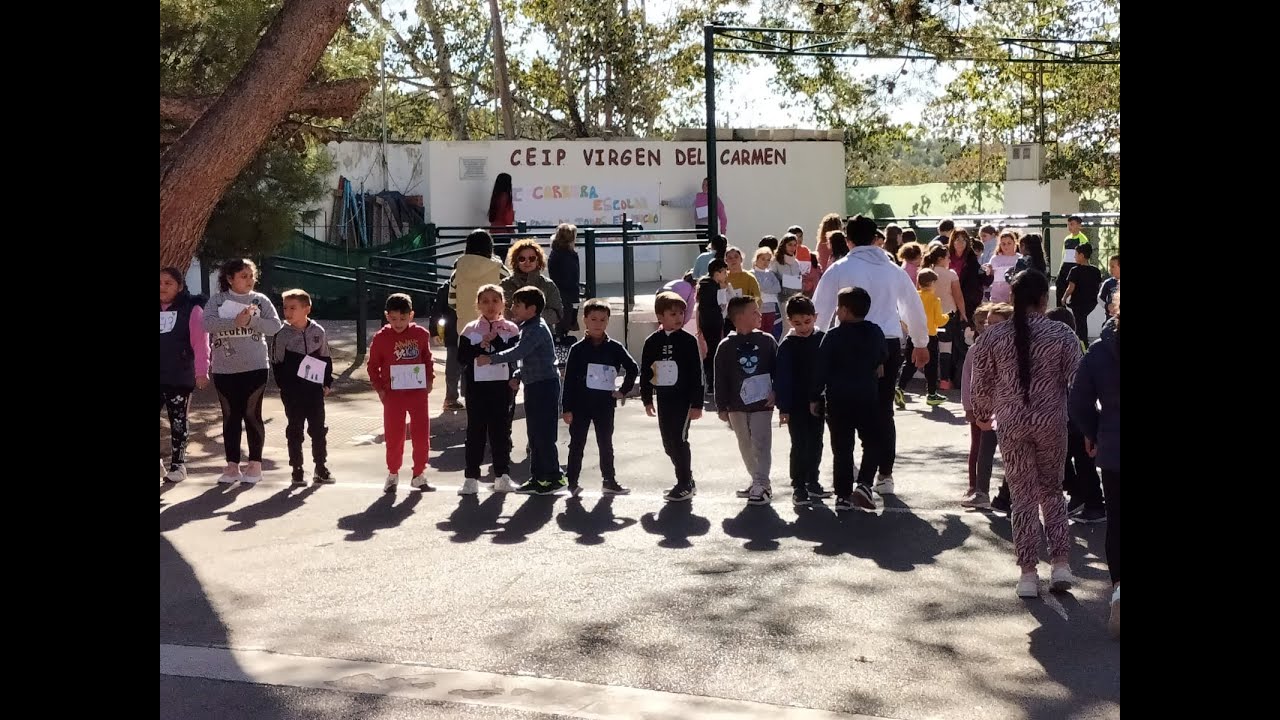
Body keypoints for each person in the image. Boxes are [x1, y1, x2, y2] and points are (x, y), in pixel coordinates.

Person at [969, 269, 1083, 598]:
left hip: (1012, 423)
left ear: (1012, 299)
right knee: (1052, 491)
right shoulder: (1062, 335)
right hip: (1051, 422)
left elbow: (981, 382)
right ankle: (1060, 562)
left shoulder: (993, 336)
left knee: (1022, 497)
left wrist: (981, 414)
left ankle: (1028, 573)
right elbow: (1077, 382)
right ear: (1044, 300)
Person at [813, 215, 930, 498]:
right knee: (882, 410)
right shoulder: (893, 270)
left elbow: (820, 310)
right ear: (876, 238)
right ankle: (884, 474)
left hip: (845, 343)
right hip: (885, 344)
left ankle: (848, 467)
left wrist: (812, 343)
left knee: (843, 405)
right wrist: (920, 341)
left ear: (848, 239)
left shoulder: (840, 268)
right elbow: (912, 306)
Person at [204, 258, 284, 486]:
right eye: (243, 276)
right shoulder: (218, 300)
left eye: (251, 275)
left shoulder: (261, 300)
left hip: (255, 367)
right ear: (230, 279)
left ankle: (255, 464)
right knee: (230, 416)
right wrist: (233, 322)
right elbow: (207, 324)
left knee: (252, 414)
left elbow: (275, 326)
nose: (249, 280)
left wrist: (250, 321)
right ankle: (231, 466)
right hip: (224, 369)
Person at [477, 286, 563, 494]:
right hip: (534, 385)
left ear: (532, 309)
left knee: (543, 434)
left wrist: (491, 358)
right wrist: (518, 376)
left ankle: (553, 477)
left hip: (545, 386)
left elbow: (520, 352)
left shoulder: (537, 328)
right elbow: (528, 359)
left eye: (517, 305)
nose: (512, 308)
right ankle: (538, 477)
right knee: (533, 433)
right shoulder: (528, 326)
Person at [1070, 289, 1121, 638]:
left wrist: (1092, 432)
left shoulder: (1100, 352)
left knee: (1117, 522)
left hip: (1114, 447)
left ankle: (1119, 589)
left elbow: (1079, 401)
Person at [813, 287, 886, 511]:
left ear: (844, 310)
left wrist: (815, 396)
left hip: (839, 398)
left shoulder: (834, 335)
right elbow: (882, 358)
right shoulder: (874, 332)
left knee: (842, 448)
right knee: (873, 441)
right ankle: (864, 483)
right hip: (867, 396)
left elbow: (821, 368)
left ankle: (843, 495)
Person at [561, 299, 640, 497]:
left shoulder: (614, 347)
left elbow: (633, 368)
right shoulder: (577, 350)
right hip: (580, 404)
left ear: (608, 321)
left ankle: (609, 481)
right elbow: (568, 379)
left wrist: (623, 390)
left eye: (602, 319)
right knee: (576, 443)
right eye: (593, 319)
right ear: (585, 320)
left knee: (605, 443)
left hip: (604, 404)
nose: (598, 323)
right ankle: (572, 482)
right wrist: (566, 408)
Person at [455, 284, 521, 495]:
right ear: (478, 305)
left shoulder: (511, 329)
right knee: (475, 431)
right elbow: (462, 357)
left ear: (503, 303)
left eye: (495, 300)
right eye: (485, 301)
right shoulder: (470, 329)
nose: (490, 305)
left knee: (500, 432)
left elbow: (516, 356)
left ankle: (502, 476)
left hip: (502, 388)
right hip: (476, 388)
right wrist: (480, 345)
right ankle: (471, 478)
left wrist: (514, 377)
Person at [640, 292, 705, 502]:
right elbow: (646, 371)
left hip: (683, 400)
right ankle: (686, 477)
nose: (678, 318)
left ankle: (684, 482)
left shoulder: (688, 341)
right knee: (668, 442)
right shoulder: (652, 342)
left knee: (679, 439)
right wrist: (647, 398)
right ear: (660, 317)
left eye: (681, 313)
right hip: (664, 398)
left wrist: (697, 403)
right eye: (672, 313)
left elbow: (697, 372)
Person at [715, 296, 779, 506]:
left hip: (762, 404)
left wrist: (776, 391)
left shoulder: (767, 341)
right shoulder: (725, 346)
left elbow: (778, 370)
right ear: (739, 317)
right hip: (736, 406)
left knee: (761, 442)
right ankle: (756, 480)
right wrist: (721, 405)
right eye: (754, 312)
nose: (760, 315)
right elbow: (720, 377)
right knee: (745, 443)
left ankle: (762, 482)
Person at [368, 293, 435, 494]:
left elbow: (427, 359)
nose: (398, 323)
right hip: (393, 395)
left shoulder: (421, 335)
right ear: (387, 316)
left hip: (417, 393)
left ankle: (419, 474)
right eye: (394, 318)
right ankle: (393, 473)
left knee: (421, 435)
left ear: (411, 315)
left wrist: (430, 380)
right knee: (394, 435)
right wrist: (380, 388)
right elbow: (373, 366)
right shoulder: (381, 338)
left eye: (403, 318)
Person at [270, 288, 335, 487]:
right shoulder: (281, 335)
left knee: (318, 428)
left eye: (293, 307)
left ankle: (320, 466)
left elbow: (325, 357)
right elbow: (277, 363)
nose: (287, 312)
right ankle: (297, 468)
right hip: (293, 392)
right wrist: (285, 386)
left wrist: (326, 382)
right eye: (285, 307)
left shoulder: (318, 331)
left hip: (314, 390)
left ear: (307, 309)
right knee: (295, 428)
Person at [774, 295, 831, 506]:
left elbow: (827, 372)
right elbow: (783, 378)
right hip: (796, 404)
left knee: (816, 441)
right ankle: (798, 485)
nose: (803, 327)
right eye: (797, 323)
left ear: (815, 317)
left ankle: (813, 481)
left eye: (807, 322)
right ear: (790, 321)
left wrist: (822, 397)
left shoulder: (822, 339)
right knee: (799, 443)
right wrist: (784, 408)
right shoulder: (788, 345)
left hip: (818, 402)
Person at [446, 229, 511, 411]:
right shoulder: (499, 269)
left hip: (466, 326)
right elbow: (509, 296)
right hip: (494, 325)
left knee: (468, 362)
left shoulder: (457, 271)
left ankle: (466, 397)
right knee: (494, 361)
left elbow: (451, 301)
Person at [160, 267, 210, 484]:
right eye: (159, 283)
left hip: (179, 376)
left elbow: (201, 344)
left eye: (168, 283)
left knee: (178, 421)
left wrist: (202, 372)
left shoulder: (192, 309)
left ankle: (178, 465)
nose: (162, 287)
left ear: (180, 286)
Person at [897, 269, 951, 407]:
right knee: (931, 366)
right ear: (932, 283)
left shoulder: (914, 297)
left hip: (913, 335)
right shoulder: (934, 300)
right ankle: (931, 394)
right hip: (930, 336)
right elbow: (939, 320)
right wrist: (948, 316)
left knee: (910, 363)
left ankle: (900, 388)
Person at [501, 239, 564, 331]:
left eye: (532, 258)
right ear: (516, 261)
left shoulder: (547, 285)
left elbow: (557, 313)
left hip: (541, 334)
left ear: (538, 260)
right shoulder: (505, 285)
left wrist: (531, 316)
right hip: (510, 334)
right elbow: (499, 311)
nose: (527, 262)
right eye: (522, 259)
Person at [695, 259, 731, 397]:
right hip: (713, 322)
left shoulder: (705, 285)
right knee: (713, 351)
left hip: (708, 322)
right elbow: (721, 303)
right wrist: (723, 289)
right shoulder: (712, 286)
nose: (726, 275)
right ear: (718, 272)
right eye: (724, 272)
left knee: (712, 350)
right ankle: (711, 381)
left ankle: (711, 381)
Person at [661, 177, 728, 249]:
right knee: (703, 249)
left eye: (707, 185)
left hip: (711, 227)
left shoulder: (716, 199)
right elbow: (684, 202)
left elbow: (723, 218)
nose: (704, 186)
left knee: (712, 250)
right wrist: (669, 203)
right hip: (700, 227)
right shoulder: (697, 196)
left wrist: (723, 233)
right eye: (703, 184)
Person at [1062, 243, 1103, 343]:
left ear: (1081, 255)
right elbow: (1099, 286)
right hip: (1091, 302)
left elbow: (1071, 287)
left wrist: (1064, 297)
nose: (1074, 256)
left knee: (1080, 323)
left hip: (1078, 302)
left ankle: (1082, 343)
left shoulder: (1075, 271)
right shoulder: (1096, 270)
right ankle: (1082, 342)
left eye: (1076, 254)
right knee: (1081, 321)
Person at [547, 223, 581, 343]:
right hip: (568, 297)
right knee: (564, 328)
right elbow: (573, 279)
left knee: (558, 328)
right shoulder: (570, 256)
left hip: (557, 294)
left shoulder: (554, 254)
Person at [1055, 215, 1088, 306]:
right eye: (1068, 224)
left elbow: (1085, 256)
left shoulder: (1083, 239)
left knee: (1075, 292)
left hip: (1076, 267)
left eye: (1072, 224)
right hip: (1065, 267)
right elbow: (1063, 255)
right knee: (1060, 288)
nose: (1069, 227)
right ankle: (1060, 310)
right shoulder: (1067, 239)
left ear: (1079, 225)